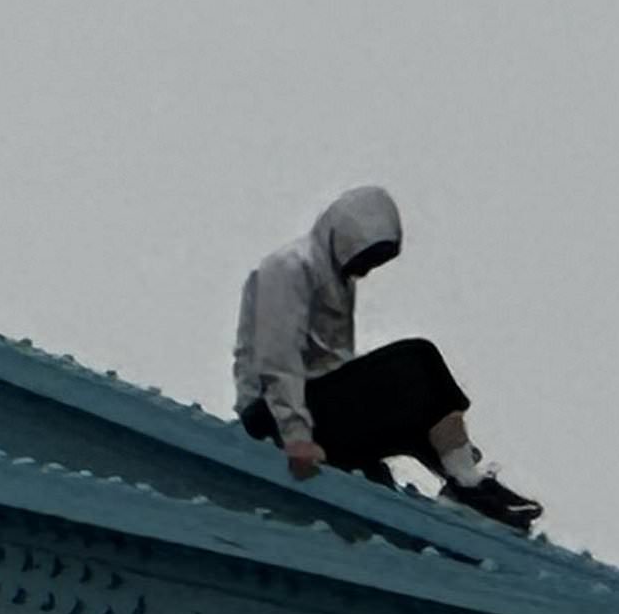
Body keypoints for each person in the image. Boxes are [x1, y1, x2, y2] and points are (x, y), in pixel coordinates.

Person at [232, 186, 544, 531]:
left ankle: (465, 482)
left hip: (312, 409)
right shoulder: (288, 270)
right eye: (367, 257)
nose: (367, 269)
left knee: (413, 407)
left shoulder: (337, 283)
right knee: (416, 360)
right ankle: (464, 481)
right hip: (271, 419)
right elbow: (277, 366)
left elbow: (334, 367)